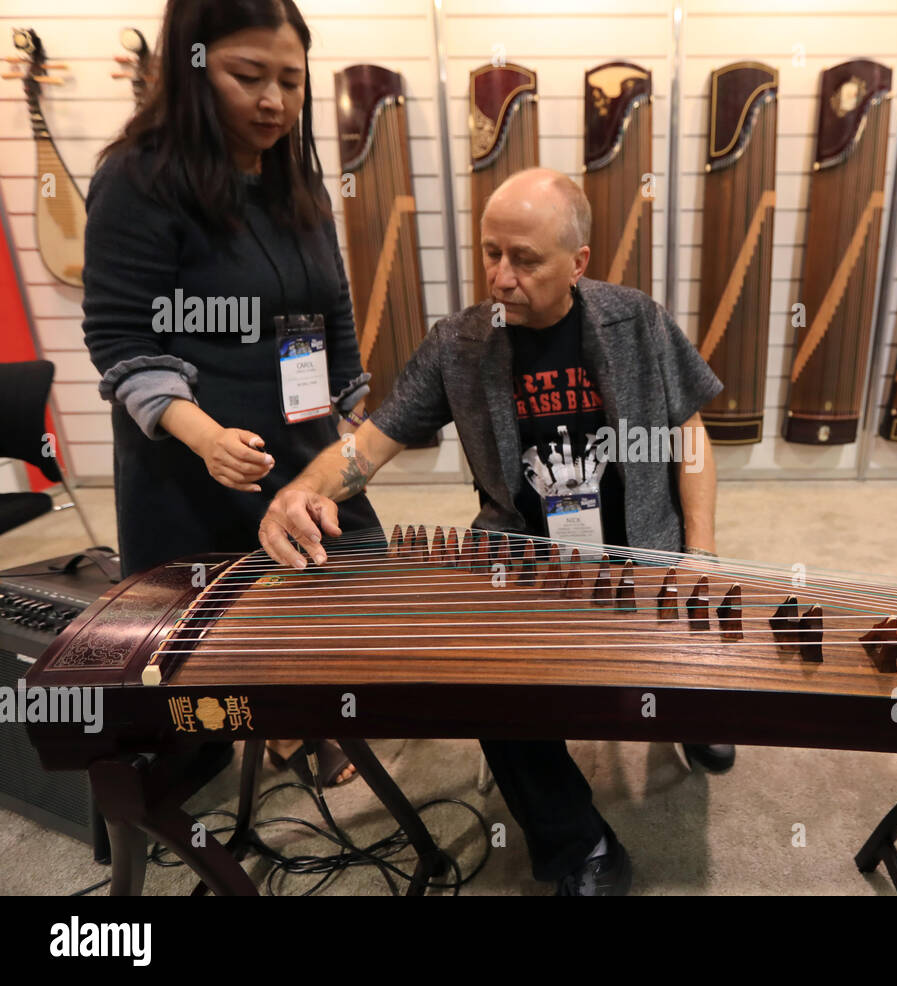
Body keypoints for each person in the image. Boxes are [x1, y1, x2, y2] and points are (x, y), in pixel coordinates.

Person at [257, 167, 736, 894]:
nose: (501, 277)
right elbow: (369, 445)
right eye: (490, 253)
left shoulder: (635, 319)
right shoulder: (461, 344)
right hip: (526, 562)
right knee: (486, 684)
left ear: (578, 262)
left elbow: (689, 435)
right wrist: (301, 489)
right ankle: (580, 847)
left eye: (526, 259)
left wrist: (698, 552)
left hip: (640, 551)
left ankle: (694, 705)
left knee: (689, 654)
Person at [82, 0, 379, 786]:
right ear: (191, 65)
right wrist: (205, 436)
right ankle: (272, 728)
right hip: (201, 459)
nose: (275, 102)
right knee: (229, 628)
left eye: (291, 80)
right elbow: (121, 341)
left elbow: (331, 303)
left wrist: (355, 409)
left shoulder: (287, 171)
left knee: (344, 586)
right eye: (248, 77)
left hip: (303, 437)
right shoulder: (137, 179)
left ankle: (309, 713)